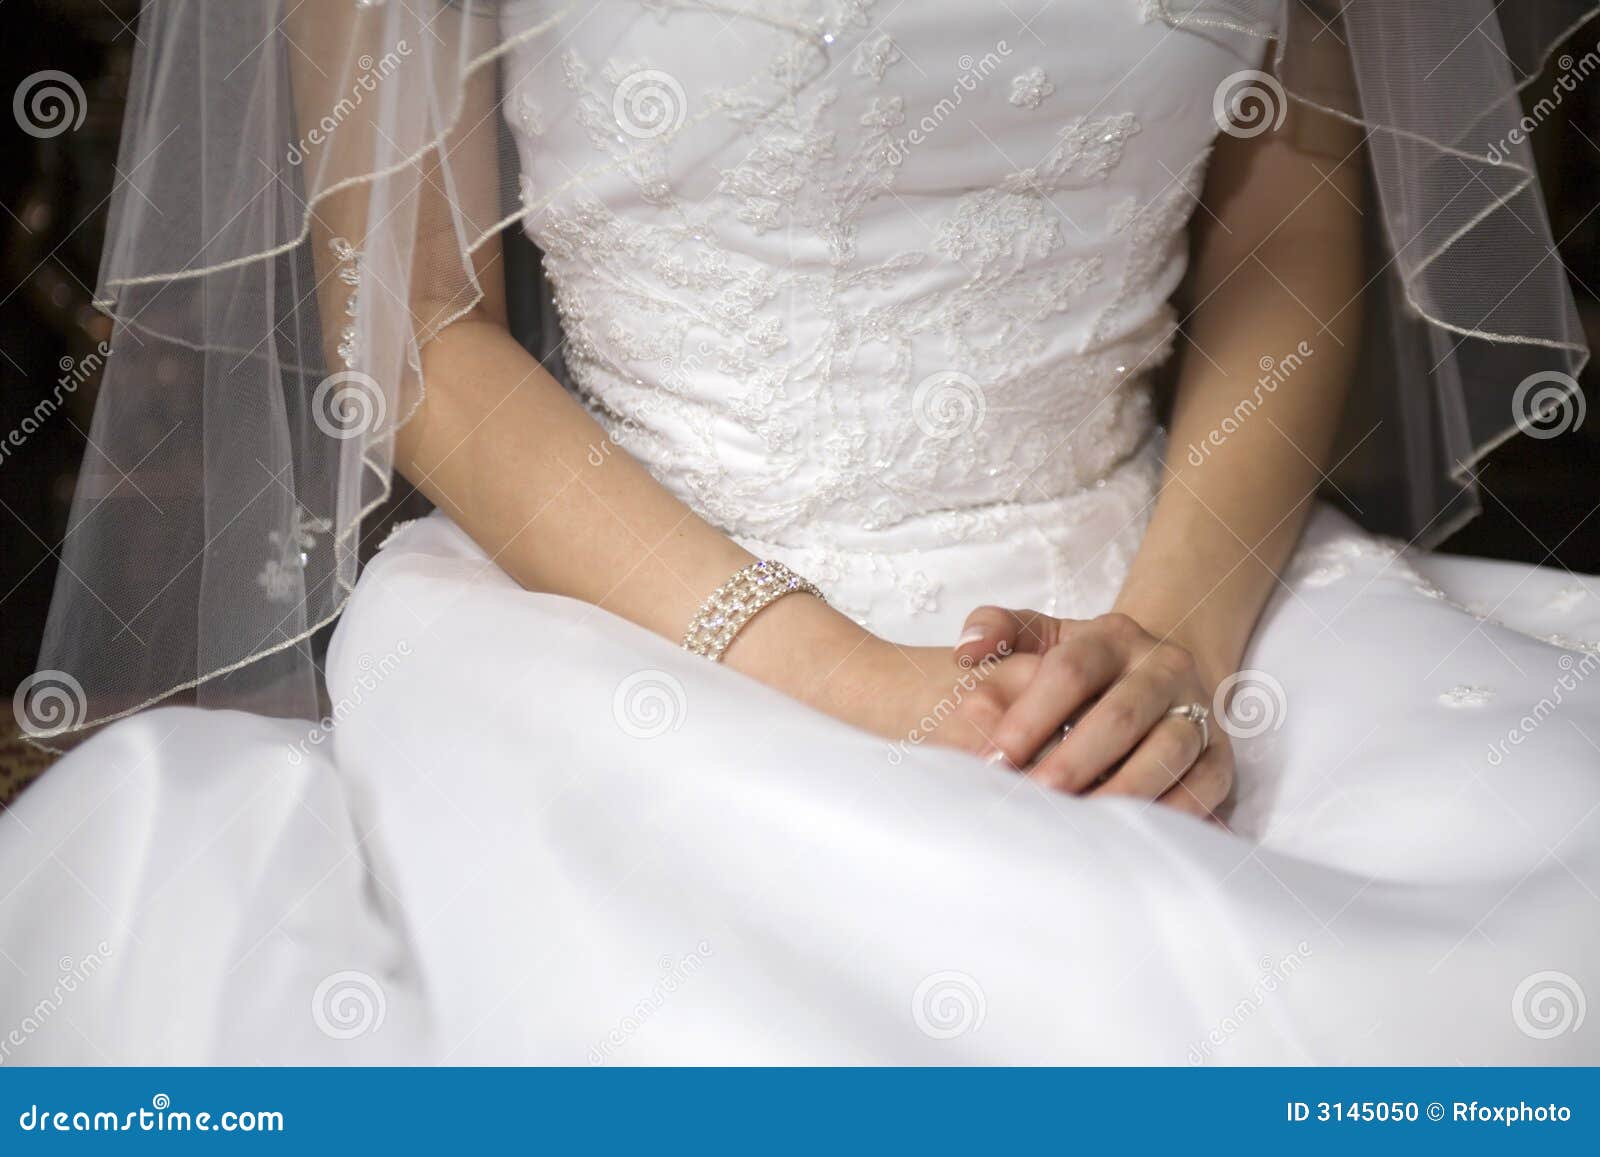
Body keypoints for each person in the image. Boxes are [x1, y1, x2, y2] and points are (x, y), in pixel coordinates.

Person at [6, 0, 1599, 1064]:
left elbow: (1288, 224)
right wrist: (854, 681)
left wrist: (1174, 639)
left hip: (1180, 586)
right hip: (637, 624)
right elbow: (413, 325)